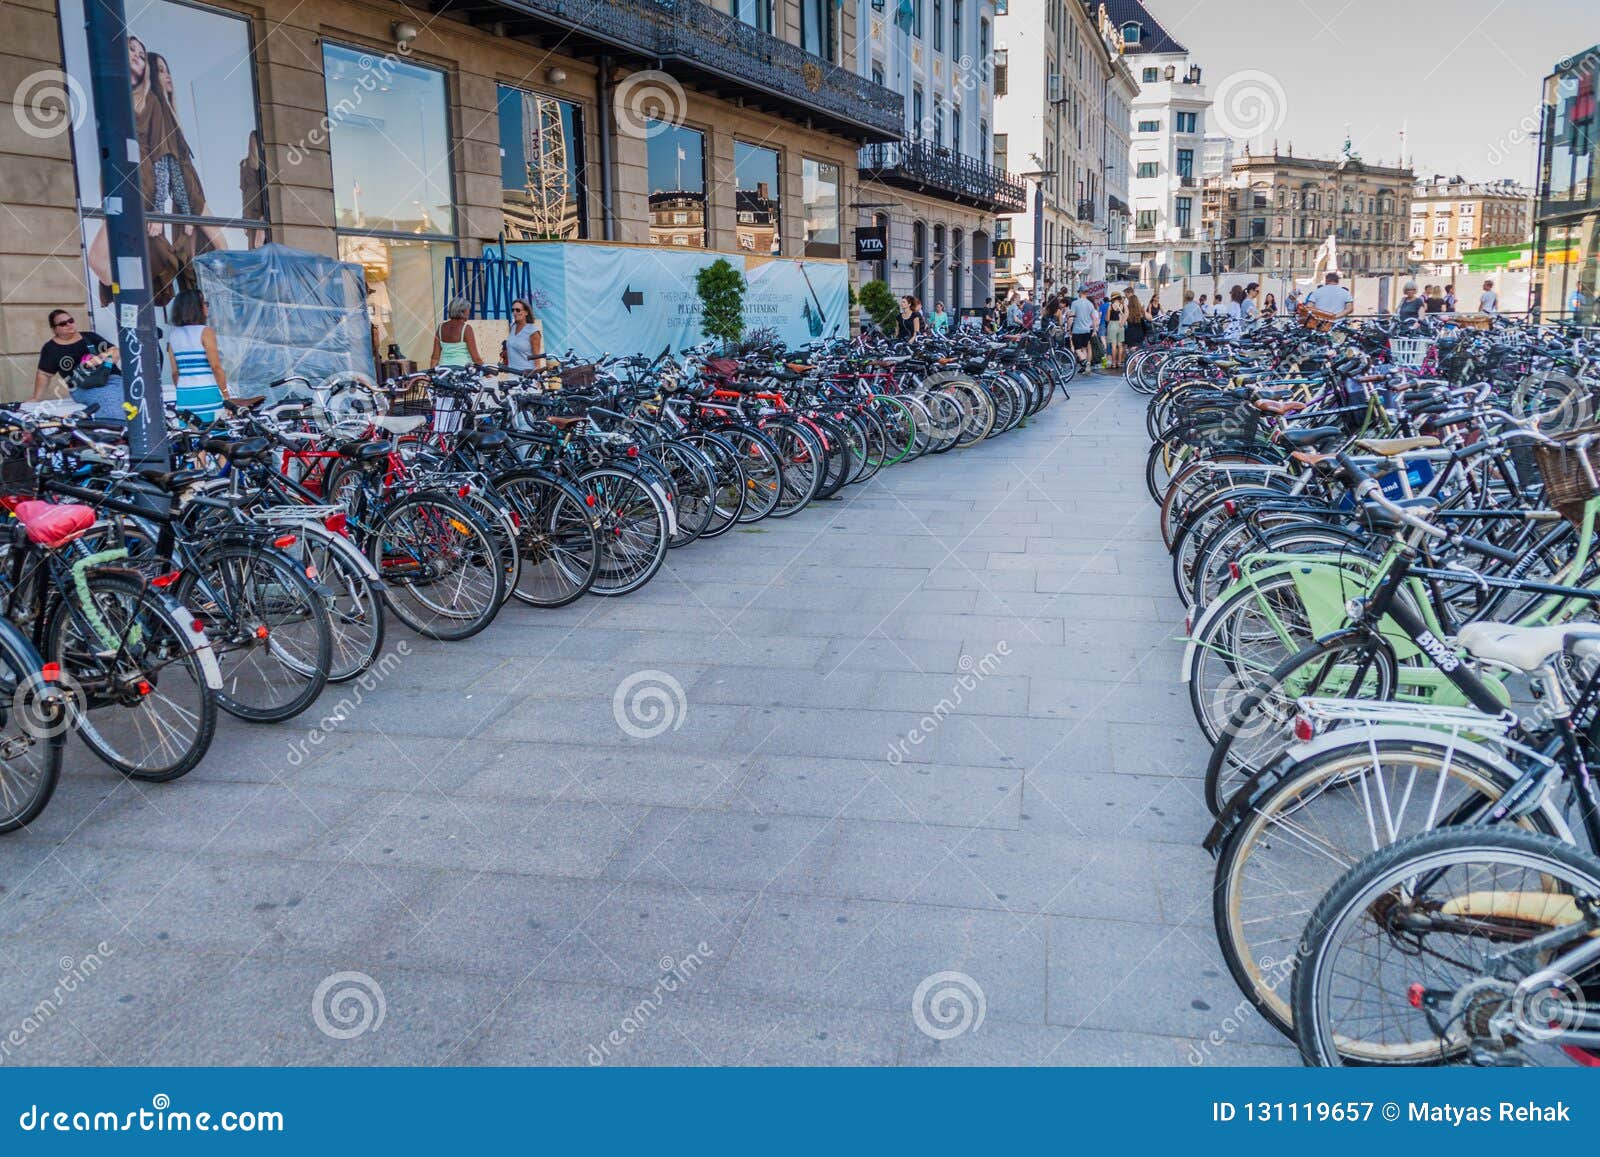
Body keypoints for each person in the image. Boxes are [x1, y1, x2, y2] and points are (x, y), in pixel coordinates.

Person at [32, 309, 123, 416]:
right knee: (110, 400)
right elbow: (44, 374)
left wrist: (102, 356)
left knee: (134, 397)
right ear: (54, 329)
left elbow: (115, 351)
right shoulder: (51, 348)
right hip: (82, 388)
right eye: (63, 324)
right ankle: (115, 429)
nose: (69, 324)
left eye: (71, 320)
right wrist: (36, 398)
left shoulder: (90, 337)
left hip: (112, 380)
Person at [166, 289, 229, 420]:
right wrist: (225, 393)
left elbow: (175, 372)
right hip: (207, 391)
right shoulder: (206, 332)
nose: (207, 306)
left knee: (191, 433)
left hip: (184, 394)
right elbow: (216, 367)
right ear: (195, 307)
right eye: (204, 303)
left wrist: (185, 388)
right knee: (215, 432)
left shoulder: (173, 335)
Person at [432, 297, 483, 366]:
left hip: (444, 371)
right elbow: (476, 358)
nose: (469, 312)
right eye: (468, 310)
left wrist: (432, 373)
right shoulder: (466, 329)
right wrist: (488, 373)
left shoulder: (441, 327)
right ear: (462, 311)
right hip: (462, 370)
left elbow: (435, 357)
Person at [502, 298, 544, 372]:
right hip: (512, 373)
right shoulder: (512, 326)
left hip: (526, 375)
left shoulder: (533, 332)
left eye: (518, 310)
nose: (514, 312)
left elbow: (537, 360)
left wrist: (537, 378)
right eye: (513, 310)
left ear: (526, 312)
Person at [1068, 287, 1098, 369]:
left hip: (1077, 330)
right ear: (1087, 293)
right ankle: (1085, 367)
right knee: (1084, 348)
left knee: (1077, 349)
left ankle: (1085, 362)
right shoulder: (1090, 304)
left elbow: (1071, 317)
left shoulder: (1075, 303)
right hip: (1087, 330)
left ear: (1080, 293)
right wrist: (1094, 330)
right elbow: (1094, 318)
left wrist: (1068, 328)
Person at [1106, 292, 1127, 370]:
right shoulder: (1123, 306)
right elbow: (1125, 316)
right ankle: (1119, 362)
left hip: (1112, 325)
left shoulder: (1110, 306)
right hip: (1121, 326)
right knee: (1120, 345)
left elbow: (1107, 319)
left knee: (1114, 346)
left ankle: (1114, 363)